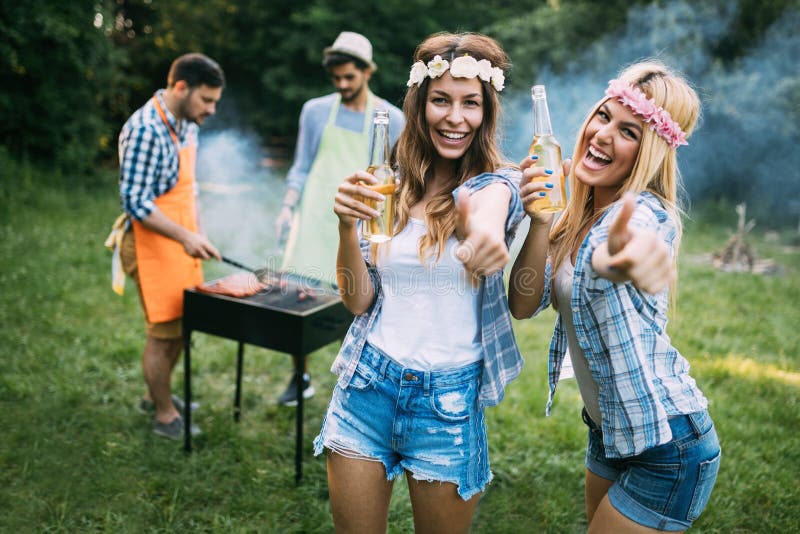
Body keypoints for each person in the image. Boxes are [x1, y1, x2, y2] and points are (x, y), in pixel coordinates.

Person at [313, 32, 523, 533]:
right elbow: (358, 300)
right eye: (441, 100)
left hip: (446, 407)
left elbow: (489, 208)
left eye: (471, 103)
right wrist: (346, 226)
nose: (455, 117)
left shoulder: (501, 181)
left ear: (487, 111)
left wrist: (486, 238)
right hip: (367, 386)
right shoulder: (389, 183)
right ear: (420, 104)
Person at [508, 60, 721, 532]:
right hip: (610, 434)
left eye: (628, 132)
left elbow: (617, 253)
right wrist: (541, 223)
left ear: (648, 155)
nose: (603, 134)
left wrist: (623, 258)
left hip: (669, 445)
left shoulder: (646, 215)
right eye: (603, 117)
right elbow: (522, 305)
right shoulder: (571, 212)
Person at [273, 31, 405, 406]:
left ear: (367, 72)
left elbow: (397, 178)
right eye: (337, 78)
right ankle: (300, 377)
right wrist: (287, 205)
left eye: (350, 77)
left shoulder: (390, 118)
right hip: (314, 217)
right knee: (300, 299)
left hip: (361, 223)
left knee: (357, 302)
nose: (343, 85)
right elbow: (300, 167)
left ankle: (353, 381)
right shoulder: (315, 111)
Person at [114, 53, 224, 440]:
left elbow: (187, 188)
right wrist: (185, 236)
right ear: (181, 87)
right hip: (149, 244)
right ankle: (163, 415)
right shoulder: (146, 129)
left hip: (181, 240)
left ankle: (153, 394)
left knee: (182, 326)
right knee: (162, 333)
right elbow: (135, 202)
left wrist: (200, 231)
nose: (210, 110)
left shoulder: (187, 124)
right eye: (206, 100)